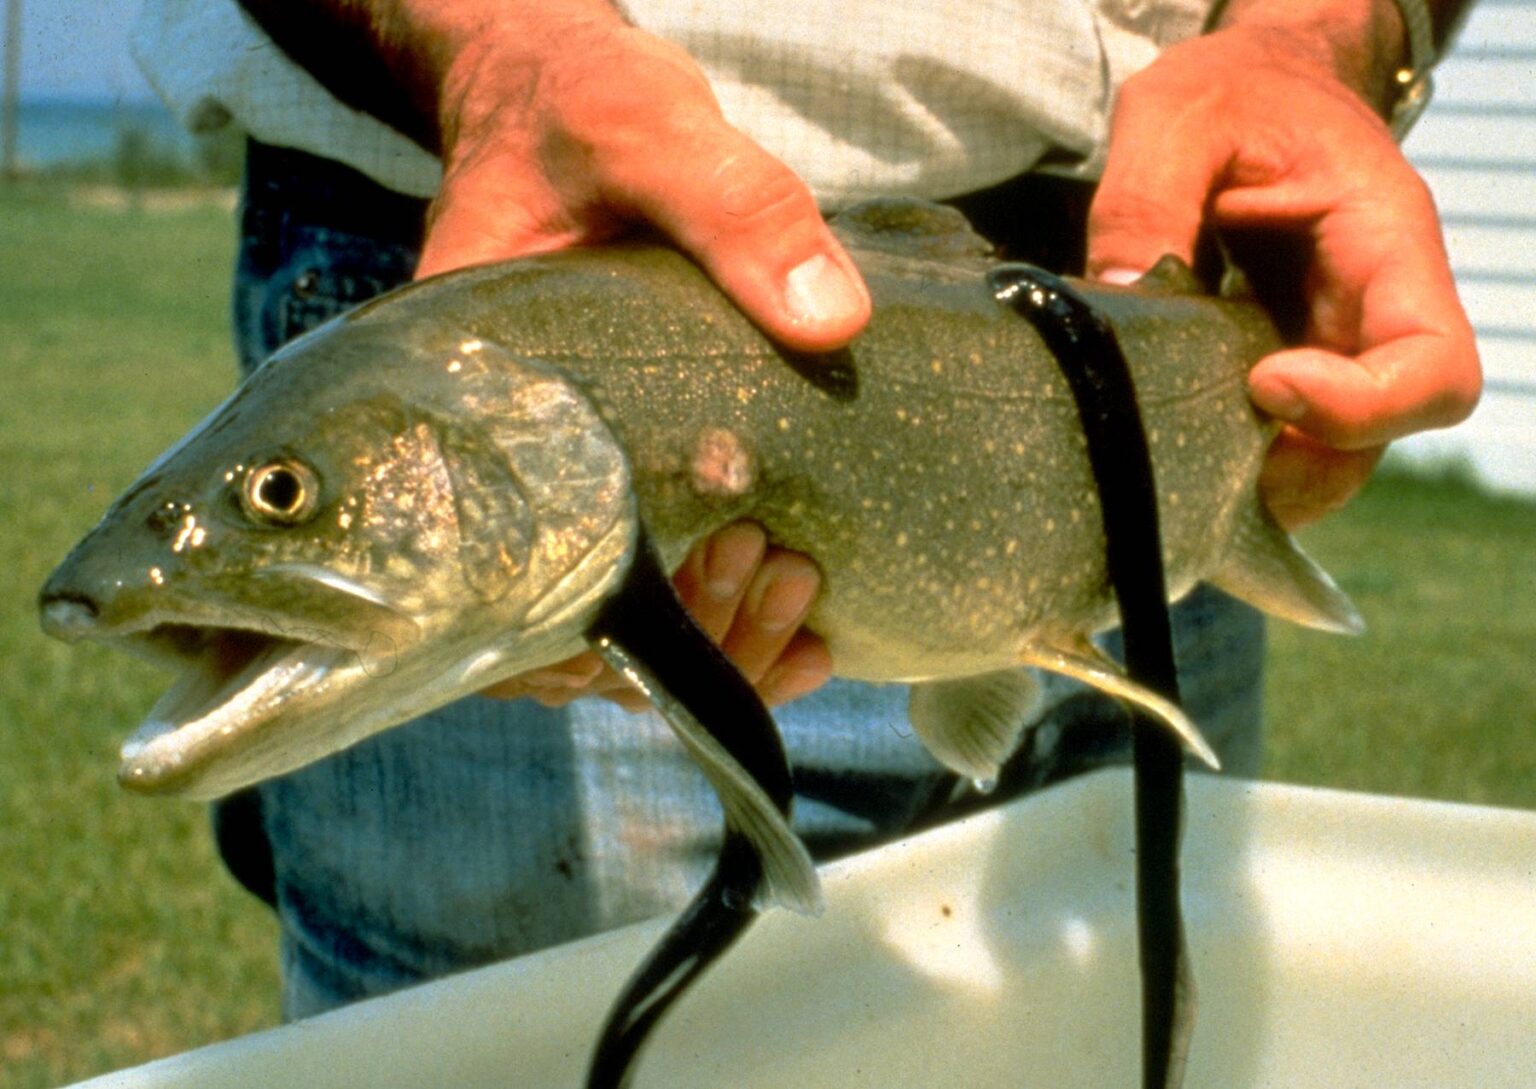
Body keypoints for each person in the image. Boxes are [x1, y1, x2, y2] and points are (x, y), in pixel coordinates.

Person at [133, 0, 1479, 1018]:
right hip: (502, 226)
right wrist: (494, 46)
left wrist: (1332, 36)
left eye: (285, 499)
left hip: (1144, 317)